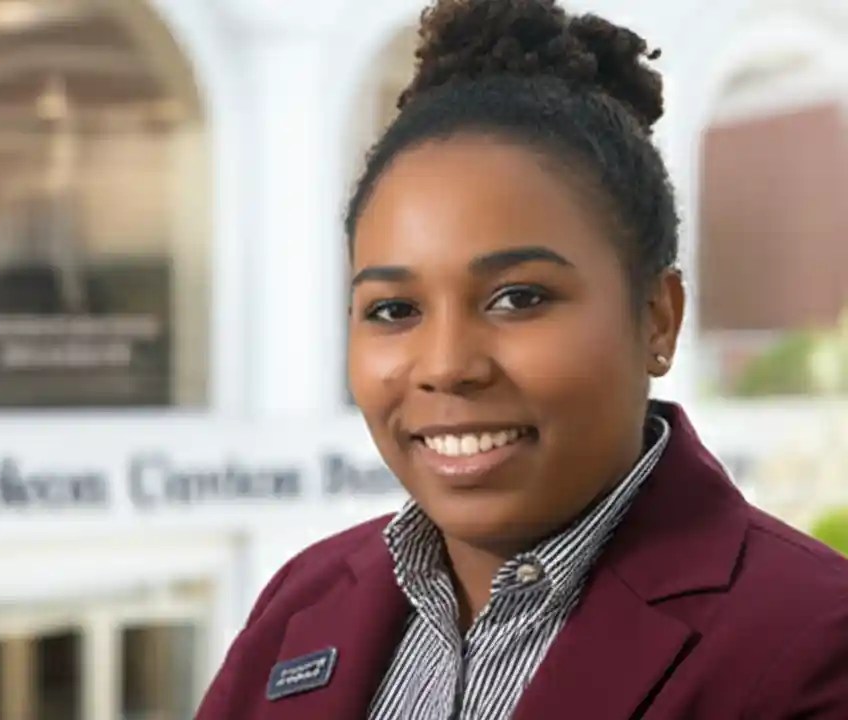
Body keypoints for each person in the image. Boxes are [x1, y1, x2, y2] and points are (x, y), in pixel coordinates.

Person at [195, 0, 848, 718]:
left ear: (658, 319)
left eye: (518, 298)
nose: (445, 365)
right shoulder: (303, 602)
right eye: (393, 310)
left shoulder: (813, 641)